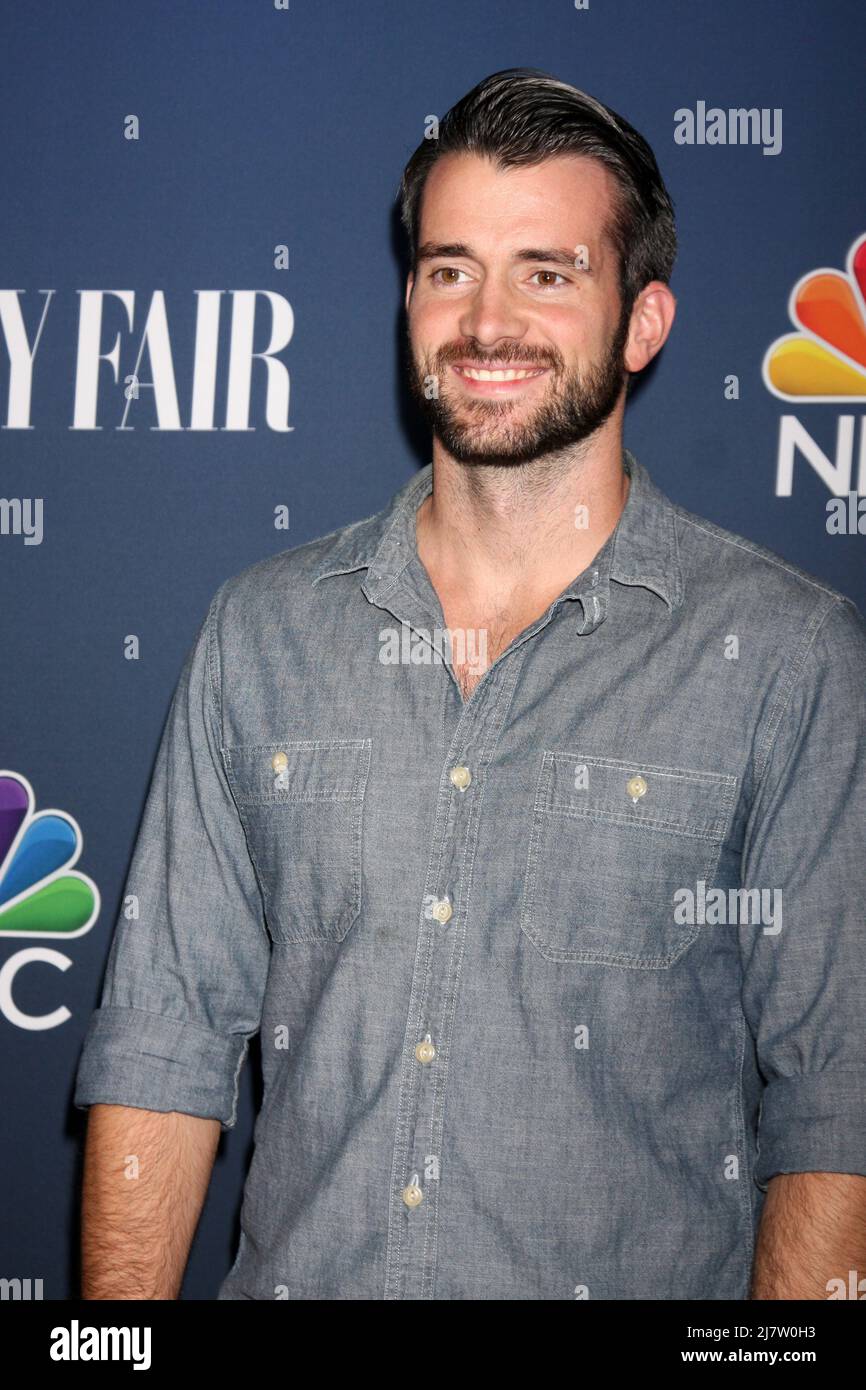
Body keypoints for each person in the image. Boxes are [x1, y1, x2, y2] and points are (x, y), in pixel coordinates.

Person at [73, 67, 866, 1301]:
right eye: (450, 269)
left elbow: (838, 1102)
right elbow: (160, 1055)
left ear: (643, 321)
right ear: (408, 300)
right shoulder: (260, 632)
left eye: (545, 273)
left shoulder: (786, 656)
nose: (485, 321)